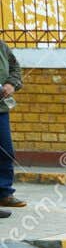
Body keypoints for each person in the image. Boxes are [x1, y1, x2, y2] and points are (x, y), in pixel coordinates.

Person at [0, 36, 23, 216]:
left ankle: (3, 193)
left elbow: (15, 68)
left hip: (1, 109)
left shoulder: (2, 46)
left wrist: (10, 84)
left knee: (6, 151)